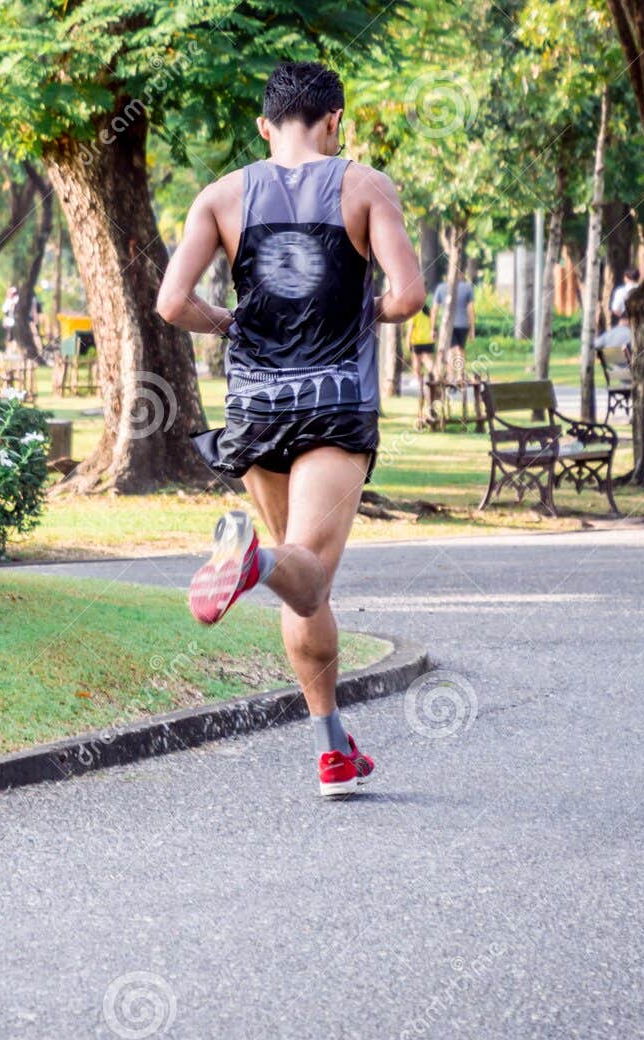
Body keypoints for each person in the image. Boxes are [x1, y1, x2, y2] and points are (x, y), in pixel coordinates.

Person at [156, 60, 424, 799]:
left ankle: (333, 749)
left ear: (264, 126)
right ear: (335, 120)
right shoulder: (365, 186)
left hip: (256, 407)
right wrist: (362, 312)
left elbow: (172, 302)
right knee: (299, 570)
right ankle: (252, 564)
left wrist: (231, 320)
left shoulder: (220, 197)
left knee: (306, 585)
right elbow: (408, 294)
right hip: (335, 403)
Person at [433, 272, 474, 376]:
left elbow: (434, 310)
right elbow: (471, 310)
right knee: (460, 350)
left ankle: (451, 376)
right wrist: (472, 330)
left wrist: (432, 329)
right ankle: (460, 375)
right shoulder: (468, 288)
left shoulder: (441, 288)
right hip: (463, 325)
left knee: (450, 350)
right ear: (461, 275)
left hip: (448, 325)